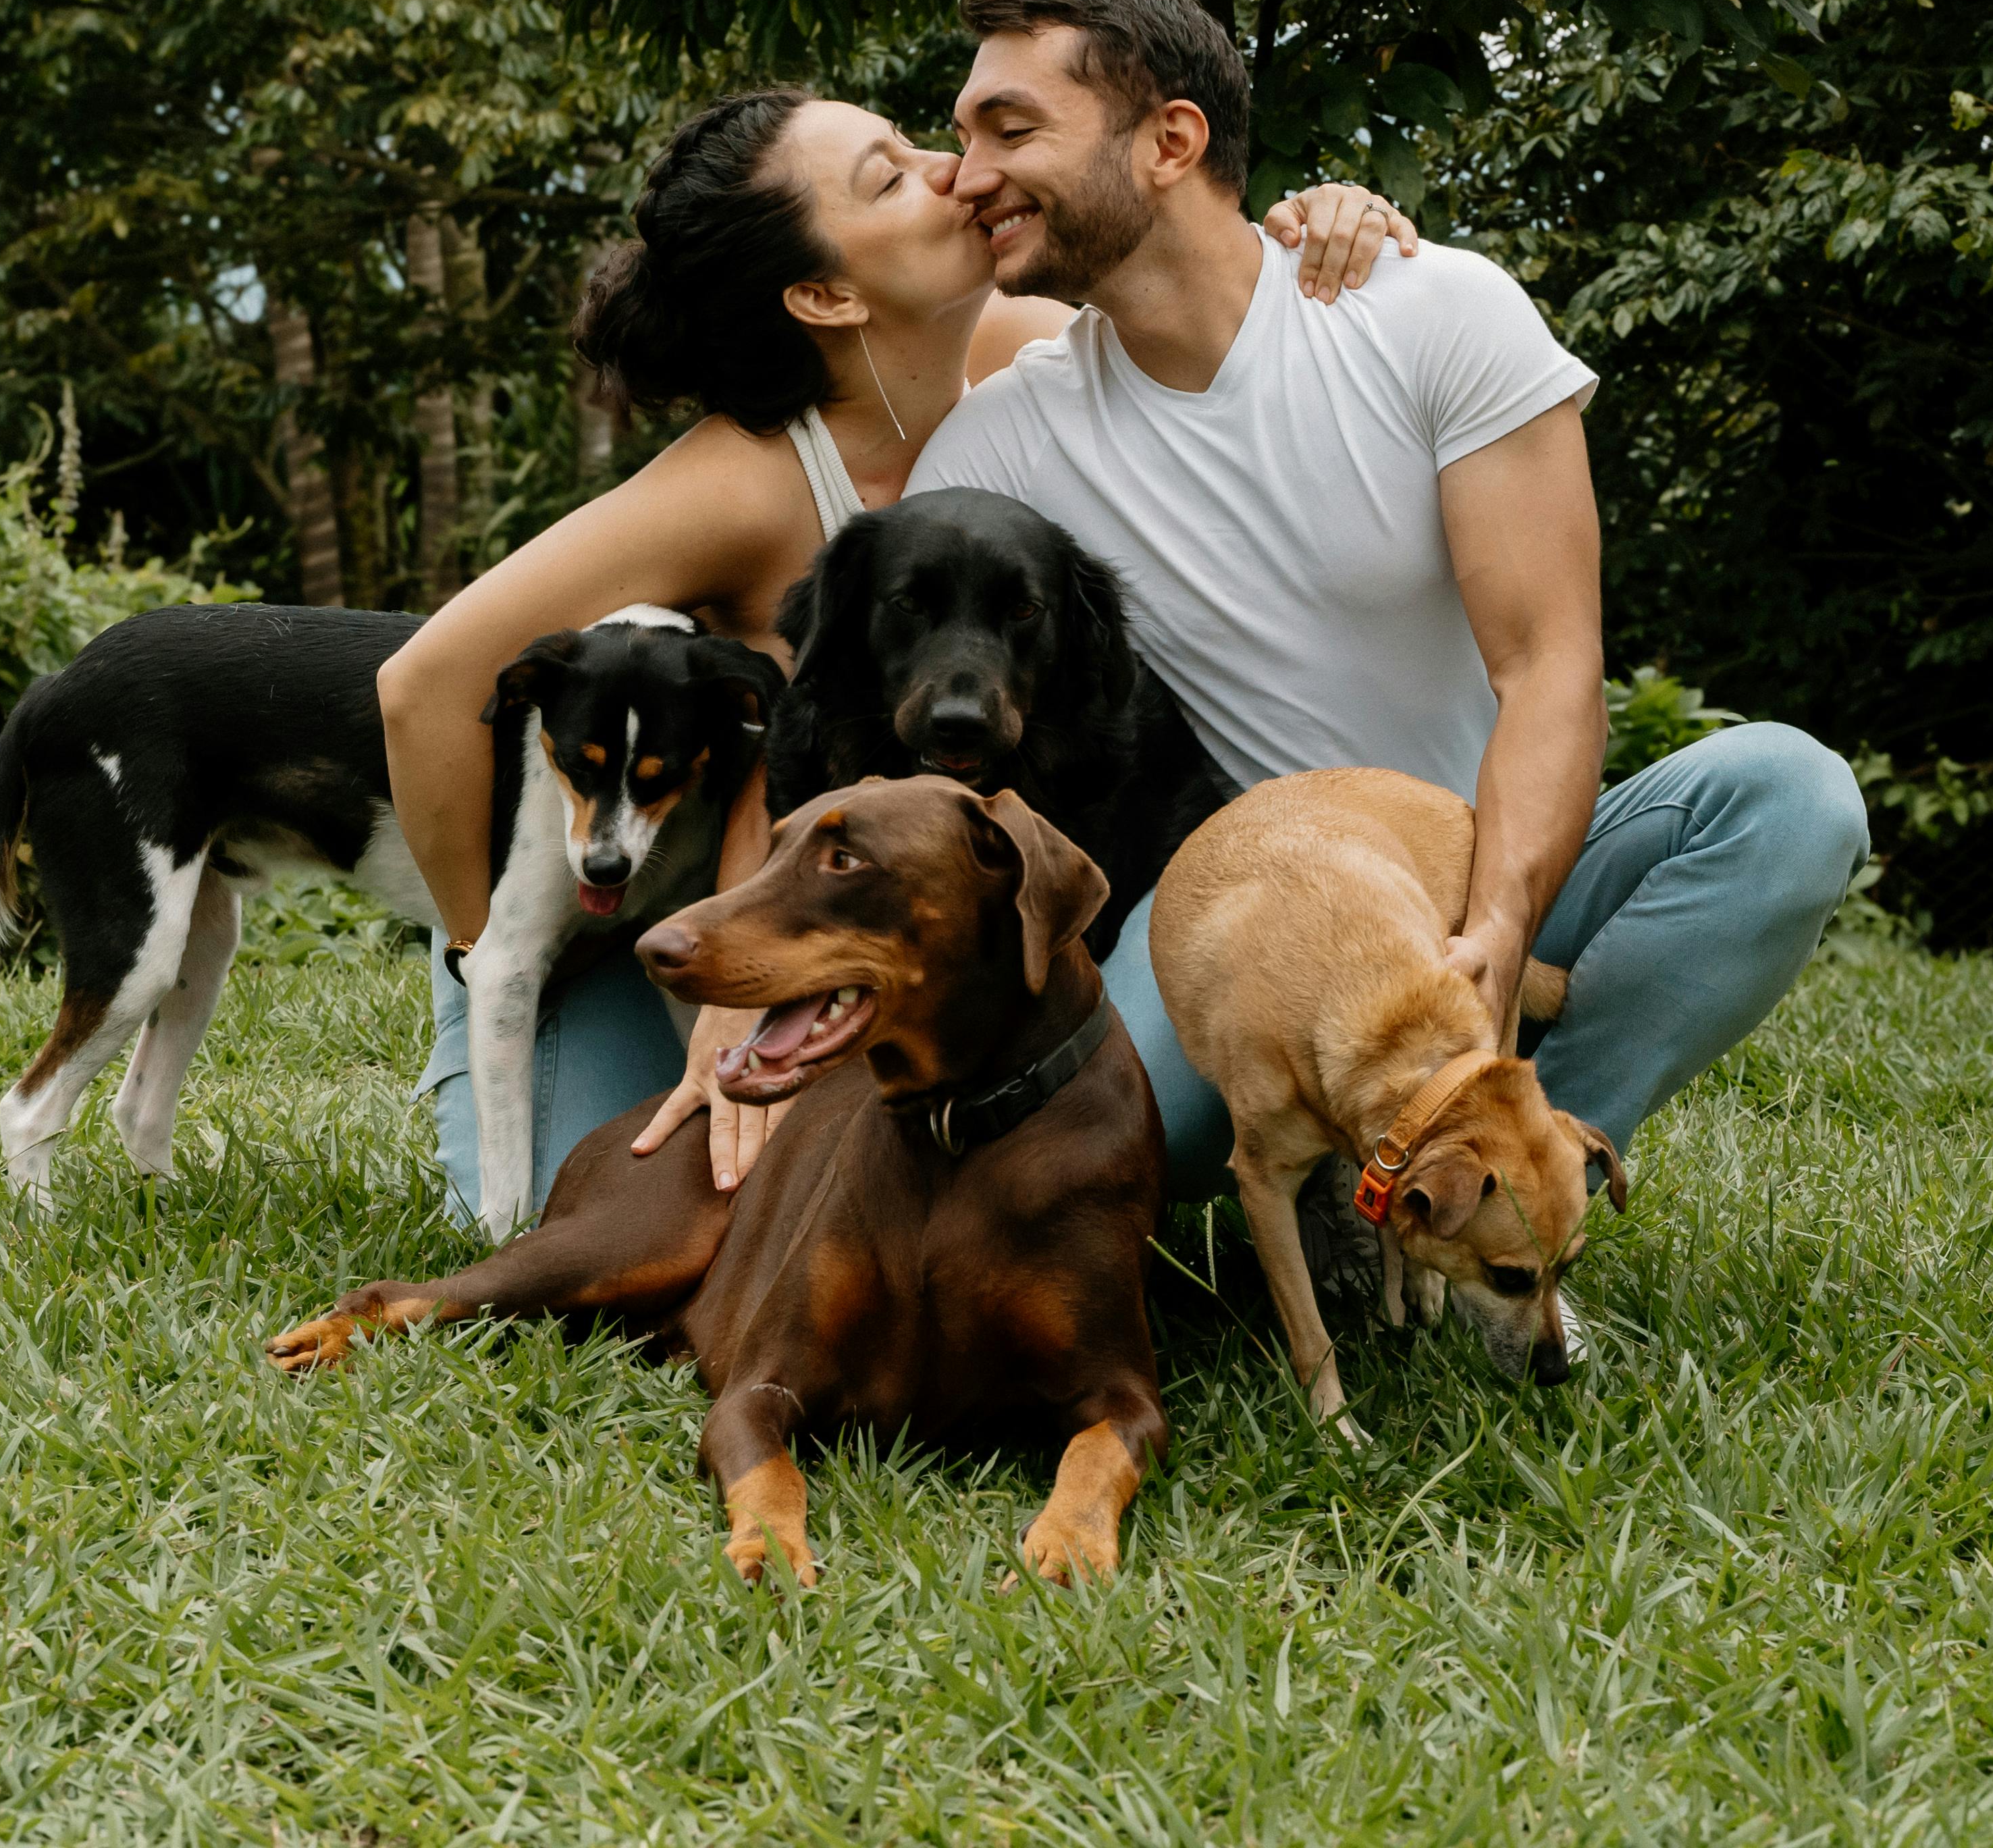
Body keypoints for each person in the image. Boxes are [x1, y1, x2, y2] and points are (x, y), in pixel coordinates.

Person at [855, 0, 1871, 1214]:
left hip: (1497, 873)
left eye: (1010, 129)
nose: (964, 173)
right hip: (1271, 932)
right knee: (1096, 1161)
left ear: (1172, 140)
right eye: (959, 138)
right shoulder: (1000, 449)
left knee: (1789, 797)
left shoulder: (1431, 310)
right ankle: (1345, 1167)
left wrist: (1496, 937)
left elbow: (1549, 666)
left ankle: (1506, 1180)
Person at [377, 86, 1416, 1223]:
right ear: (825, 294)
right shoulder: (740, 483)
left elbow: (1222, 291)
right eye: (889, 175)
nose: (952, 169)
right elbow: (419, 689)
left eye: (923, 142)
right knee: (624, 1229)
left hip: (812, 908)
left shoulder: (1031, 348)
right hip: (607, 924)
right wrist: (497, 951)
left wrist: (1331, 215)